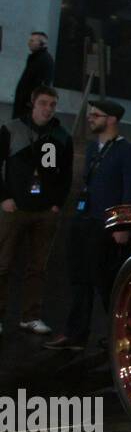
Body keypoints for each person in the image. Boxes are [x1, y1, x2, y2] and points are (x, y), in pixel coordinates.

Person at [44, 98, 131, 352]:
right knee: (79, 279)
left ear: (112, 120)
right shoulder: (92, 147)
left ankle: (122, 337)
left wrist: (123, 225)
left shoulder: (126, 151)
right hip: (83, 220)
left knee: (107, 284)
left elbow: (129, 189)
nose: (91, 118)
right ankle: (76, 334)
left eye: (96, 115)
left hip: (106, 225)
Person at [0, 86, 72, 336]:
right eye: (43, 103)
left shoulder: (62, 136)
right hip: (15, 208)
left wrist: (56, 204)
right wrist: (4, 197)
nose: (48, 108)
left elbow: (66, 175)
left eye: (52, 104)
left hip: (45, 212)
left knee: (38, 267)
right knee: (3, 264)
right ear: (33, 103)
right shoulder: (12, 130)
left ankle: (30, 316)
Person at [12, 31, 55, 116]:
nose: (29, 43)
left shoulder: (43, 60)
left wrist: (32, 103)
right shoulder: (36, 58)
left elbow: (41, 84)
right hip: (25, 104)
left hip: (29, 106)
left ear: (41, 43)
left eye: (32, 41)